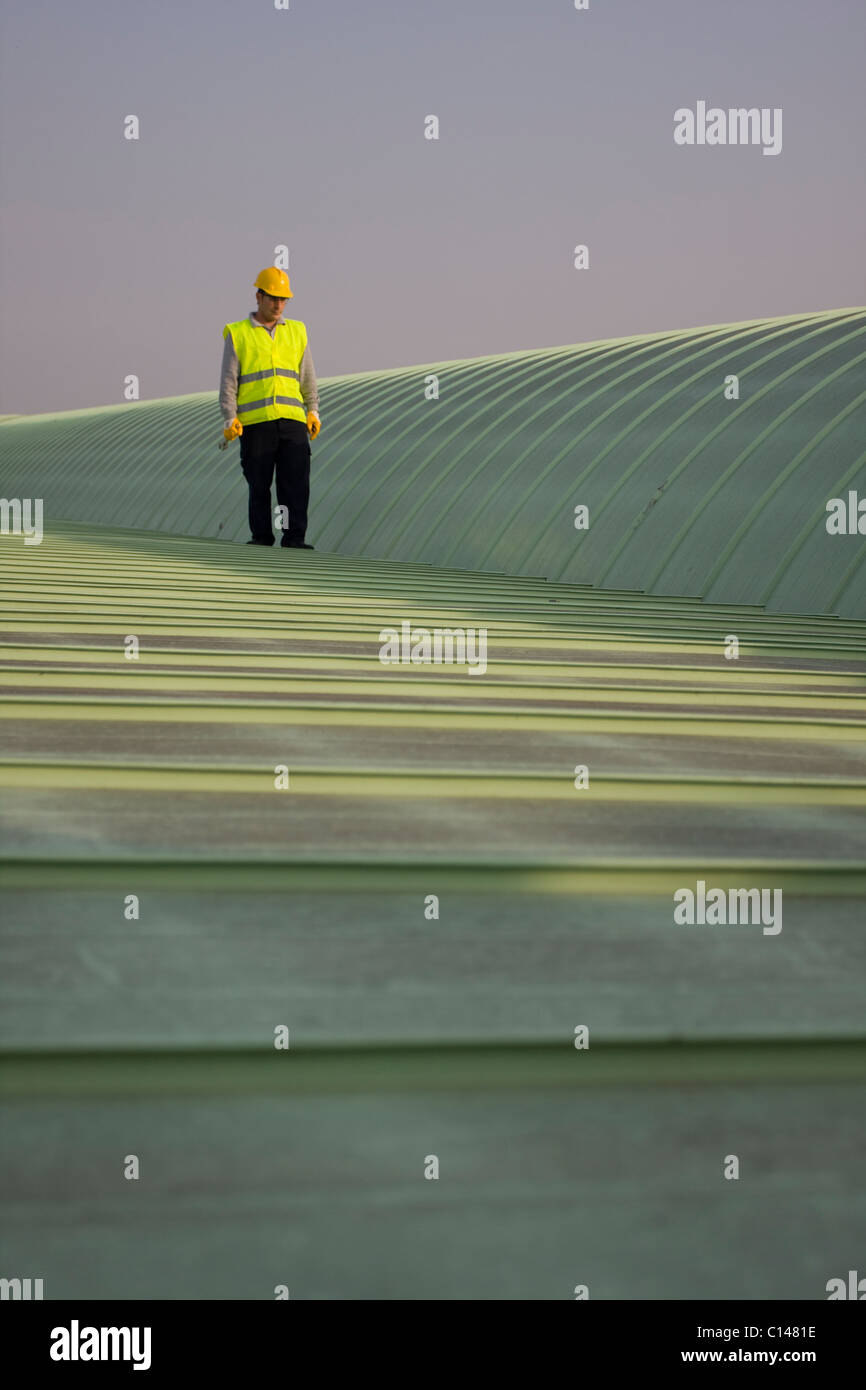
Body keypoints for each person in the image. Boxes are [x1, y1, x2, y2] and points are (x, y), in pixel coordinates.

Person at [219, 267, 321, 548]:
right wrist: (229, 418)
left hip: (292, 421)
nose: (278, 305)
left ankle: (294, 538)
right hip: (256, 423)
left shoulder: (297, 332)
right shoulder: (238, 334)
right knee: (259, 485)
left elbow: (307, 376)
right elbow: (229, 380)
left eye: (283, 299)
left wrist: (313, 410)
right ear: (258, 297)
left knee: (295, 485)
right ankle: (261, 537)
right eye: (273, 298)